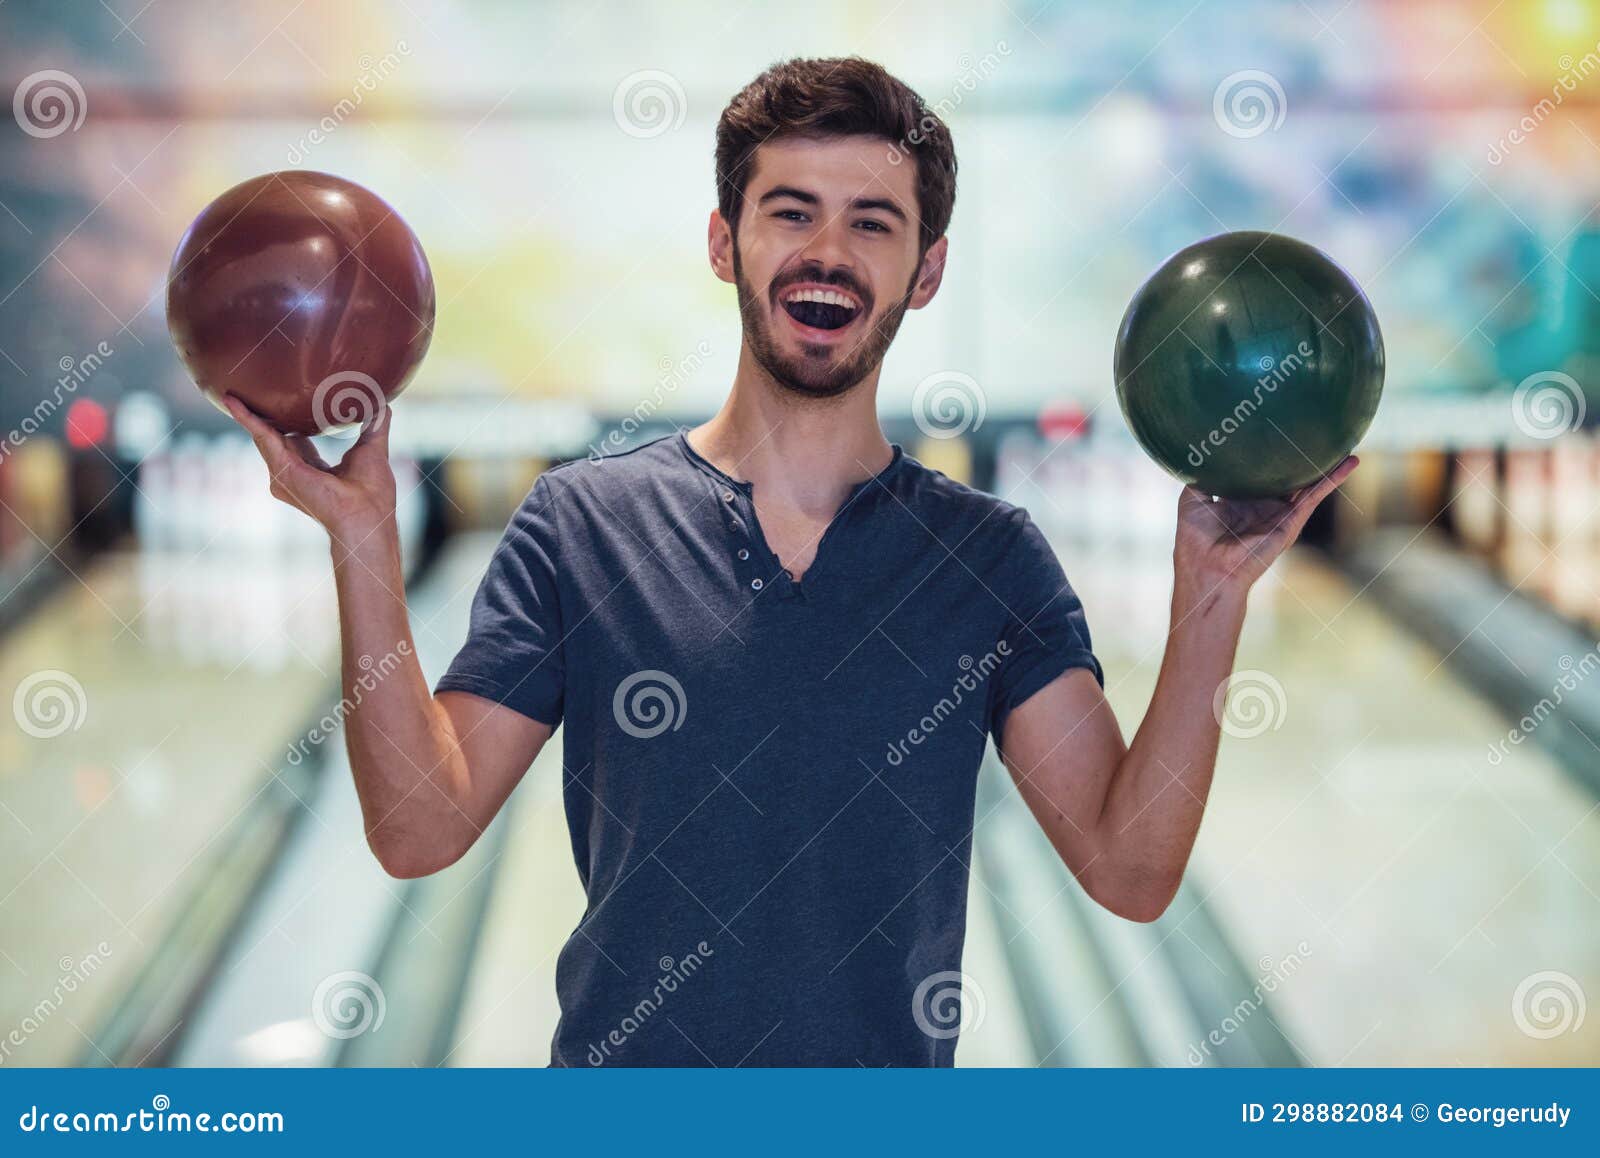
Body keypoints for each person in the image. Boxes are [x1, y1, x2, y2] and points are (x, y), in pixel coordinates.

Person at [225, 55, 1356, 1067]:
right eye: (791, 212)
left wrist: (1213, 597)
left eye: (873, 222)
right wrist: (363, 540)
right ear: (725, 242)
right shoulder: (581, 526)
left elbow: (1129, 872)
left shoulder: (988, 559)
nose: (828, 252)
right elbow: (418, 831)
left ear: (926, 270)